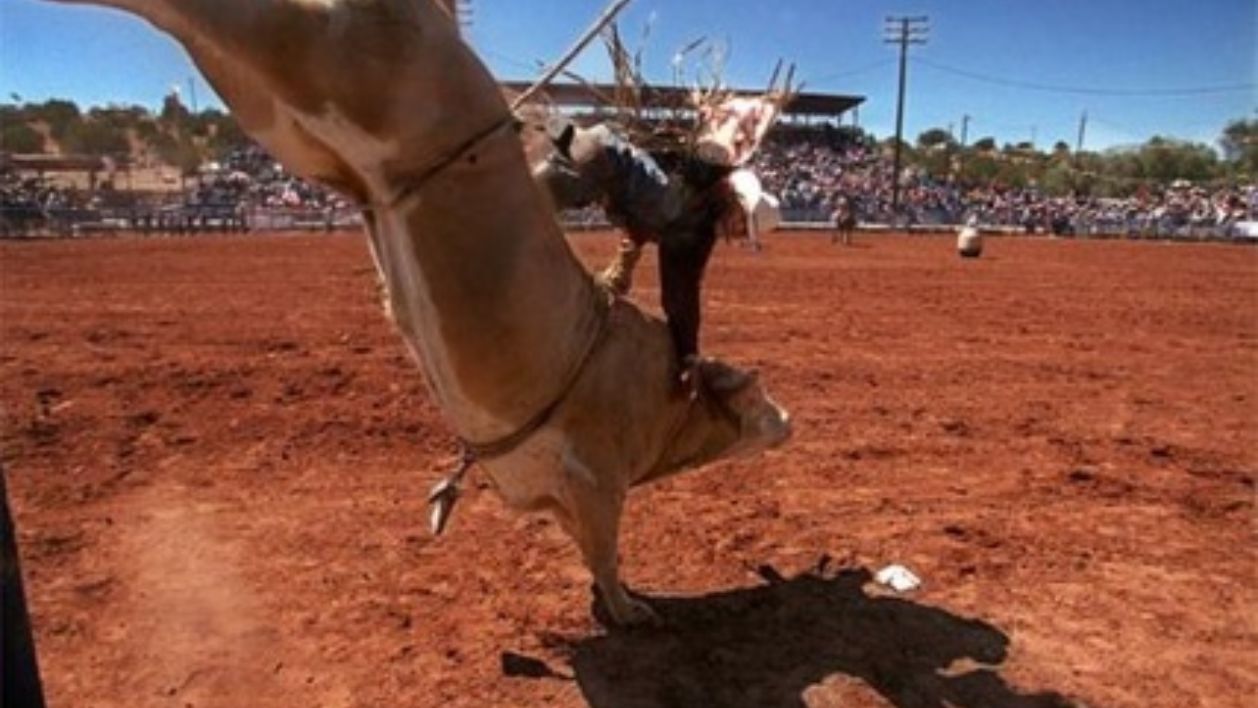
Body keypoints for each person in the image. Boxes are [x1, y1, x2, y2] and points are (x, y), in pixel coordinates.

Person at [533, 120, 737, 368]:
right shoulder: (691, 227)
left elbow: (640, 228)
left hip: (598, 151)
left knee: (526, 194)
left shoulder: (676, 176)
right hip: (597, 165)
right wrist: (687, 354)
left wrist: (621, 270)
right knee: (526, 200)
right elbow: (681, 297)